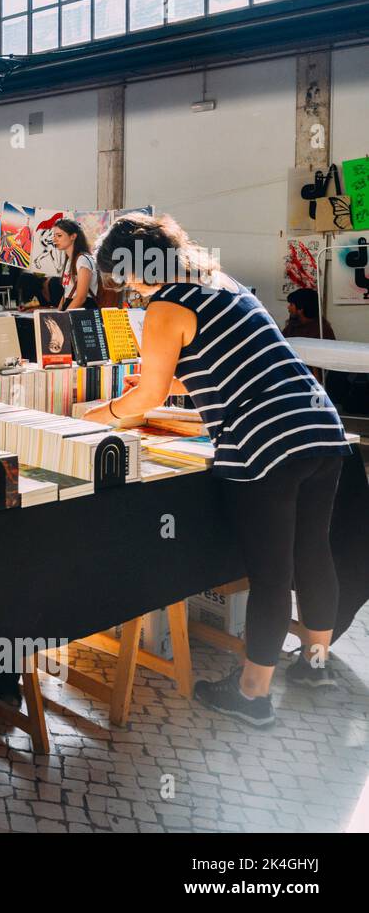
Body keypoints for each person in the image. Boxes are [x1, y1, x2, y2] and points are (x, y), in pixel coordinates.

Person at [85, 213, 353, 728]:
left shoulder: (166, 306)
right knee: (313, 550)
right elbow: (219, 363)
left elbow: (150, 395)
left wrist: (90, 418)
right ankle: (316, 665)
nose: (127, 287)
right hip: (320, 424)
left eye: (123, 274)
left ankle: (253, 695)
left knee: (271, 574)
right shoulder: (218, 282)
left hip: (266, 440)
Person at [54, 218, 97, 310]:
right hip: (72, 307)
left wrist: (64, 316)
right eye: (54, 236)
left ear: (73, 236)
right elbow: (67, 293)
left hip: (82, 310)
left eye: (59, 235)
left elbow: (81, 297)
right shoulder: (69, 261)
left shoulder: (82, 260)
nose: (55, 239)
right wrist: (57, 313)